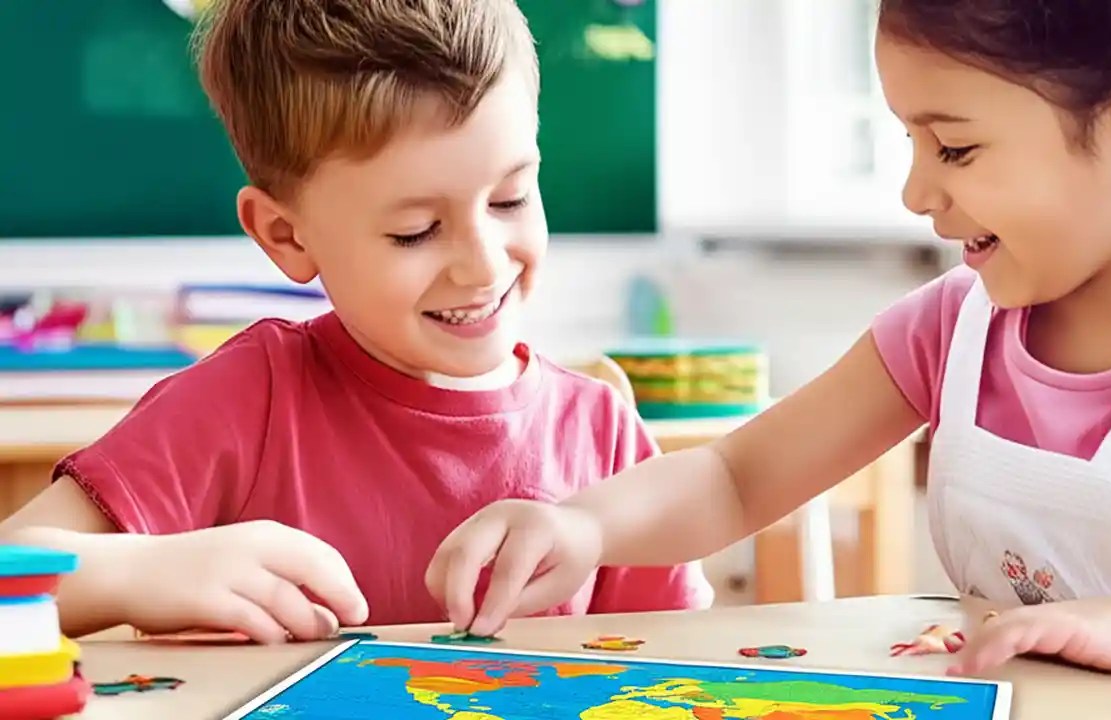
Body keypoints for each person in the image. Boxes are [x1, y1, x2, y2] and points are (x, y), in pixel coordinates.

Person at [426, 0, 1111, 675]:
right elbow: (736, 477)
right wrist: (583, 527)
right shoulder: (953, 328)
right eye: (912, 141)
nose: (916, 191)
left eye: (954, 147)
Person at [0, 0, 711, 644]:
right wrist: (143, 572)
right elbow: (13, 571)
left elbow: (685, 663)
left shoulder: (602, 432)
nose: (482, 265)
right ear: (286, 236)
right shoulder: (247, 402)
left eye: (511, 198)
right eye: (415, 231)